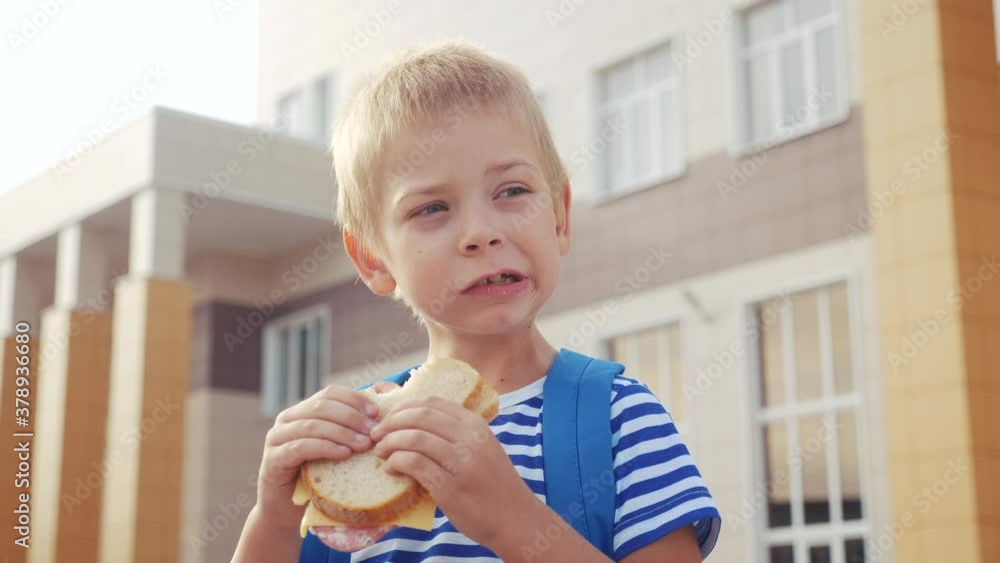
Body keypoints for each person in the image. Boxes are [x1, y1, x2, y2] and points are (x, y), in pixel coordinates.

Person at [232, 40, 721, 562]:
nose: (481, 233)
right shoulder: (351, 444)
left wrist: (514, 521)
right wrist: (275, 517)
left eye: (511, 191)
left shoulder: (620, 417)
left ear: (560, 217)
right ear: (373, 258)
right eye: (432, 208)